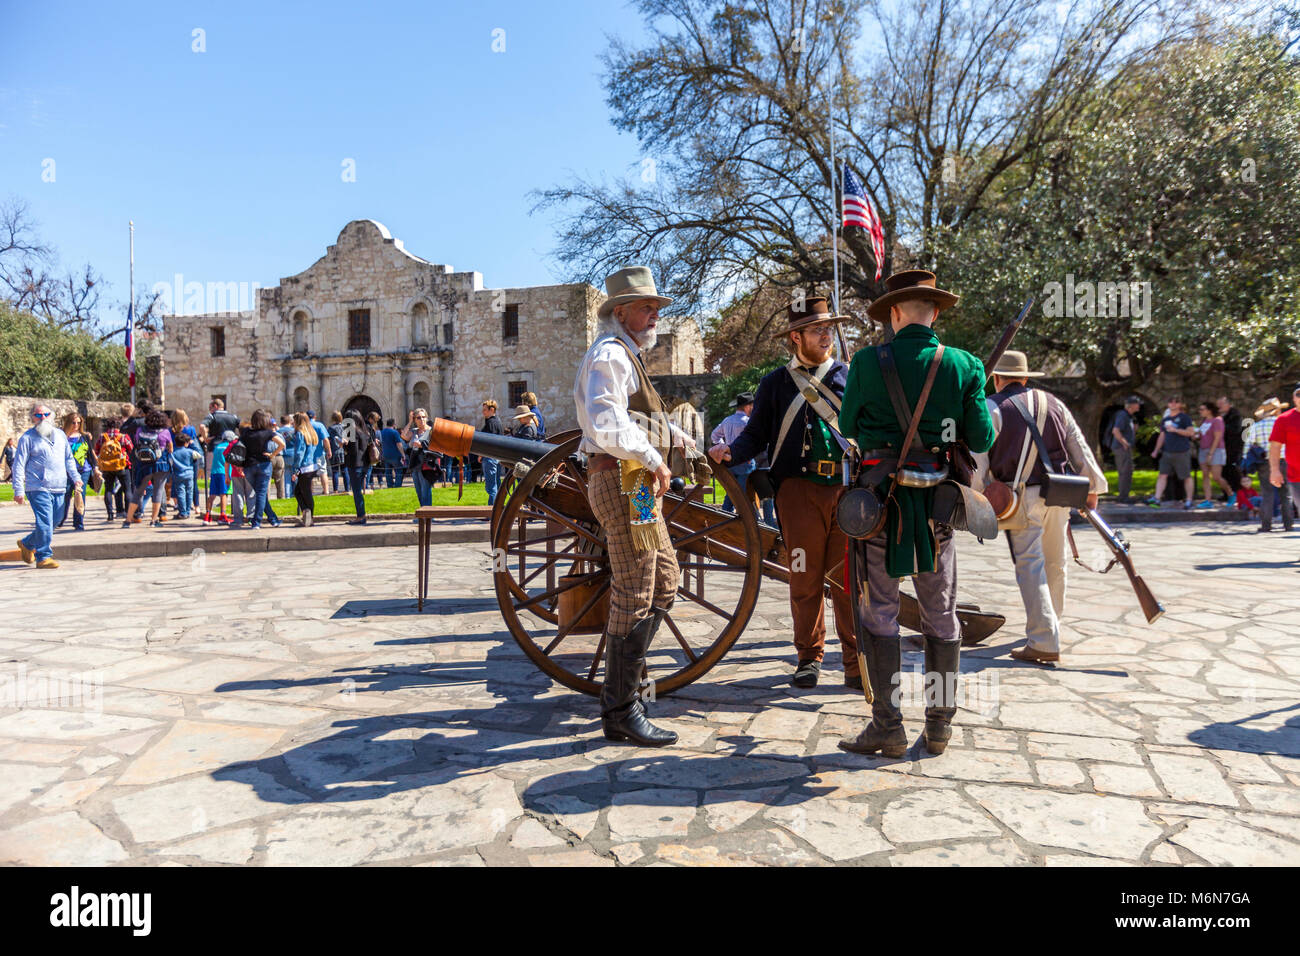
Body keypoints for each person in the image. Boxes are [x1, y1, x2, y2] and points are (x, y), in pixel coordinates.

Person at [832, 271, 995, 758]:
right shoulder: (965, 365)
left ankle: (887, 725)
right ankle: (940, 726)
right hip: (937, 508)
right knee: (940, 613)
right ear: (936, 312)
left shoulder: (864, 362)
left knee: (878, 610)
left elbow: (847, 424)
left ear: (895, 313)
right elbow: (982, 439)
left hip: (878, 504)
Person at [710, 298, 859, 690]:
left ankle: (855, 661)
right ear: (796, 337)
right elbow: (756, 435)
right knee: (804, 577)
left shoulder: (849, 375)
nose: (826, 334)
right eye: (816, 329)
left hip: (846, 489)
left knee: (846, 581)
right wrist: (731, 451)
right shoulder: (775, 384)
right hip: (796, 492)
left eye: (828, 328)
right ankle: (809, 657)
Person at [576, 265, 695, 747]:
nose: (654, 316)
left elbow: (644, 419)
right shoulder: (610, 355)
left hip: (637, 483)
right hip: (622, 479)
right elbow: (606, 423)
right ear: (620, 312)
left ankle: (625, 693)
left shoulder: (628, 356)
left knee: (665, 579)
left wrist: (685, 441)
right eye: (647, 308)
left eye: (656, 309)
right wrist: (651, 456)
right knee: (635, 587)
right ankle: (620, 707)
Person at [977, 351, 1107, 667]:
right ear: (1024, 376)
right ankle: (1051, 626)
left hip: (1020, 499)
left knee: (1031, 565)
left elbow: (979, 458)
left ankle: (1045, 639)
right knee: (1055, 562)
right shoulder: (1055, 404)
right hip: (1059, 493)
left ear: (997, 379)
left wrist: (978, 497)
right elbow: (1079, 447)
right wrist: (1093, 487)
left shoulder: (992, 407)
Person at [12, 404, 81, 568]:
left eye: (45, 414)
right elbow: (18, 465)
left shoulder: (60, 435)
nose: (42, 418)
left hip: (59, 486)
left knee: (55, 521)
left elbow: (69, 459)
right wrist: (18, 489)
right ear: (32, 418)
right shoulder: (27, 438)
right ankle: (43, 556)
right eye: (38, 415)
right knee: (44, 522)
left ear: (52, 415)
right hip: (38, 487)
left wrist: (76, 478)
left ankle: (27, 544)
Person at [123, 408, 175, 528]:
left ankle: (128, 520)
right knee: (158, 491)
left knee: (138, 492)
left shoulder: (141, 429)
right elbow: (170, 448)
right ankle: (153, 520)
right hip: (161, 465)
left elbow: (136, 442)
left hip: (144, 466)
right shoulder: (165, 432)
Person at [1248, 397, 1292, 532]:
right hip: (1285, 460)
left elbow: (1249, 445)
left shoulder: (1255, 426)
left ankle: (1266, 525)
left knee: (1267, 493)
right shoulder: (1285, 423)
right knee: (1286, 493)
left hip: (1264, 462)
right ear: (1277, 411)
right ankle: (1288, 524)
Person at [709, 392, 757, 515]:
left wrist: (724, 447)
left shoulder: (727, 420)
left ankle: (725, 514)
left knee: (732, 491)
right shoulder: (748, 422)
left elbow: (714, 436)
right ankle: (749, 517)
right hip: (744, 462)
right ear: (747, 407)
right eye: (751, 406)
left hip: (728, 462)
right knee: (741, 494)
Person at [1145, 397, 1196, 509]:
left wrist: (1176, 430)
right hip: (1167, 452)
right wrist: (1156, 450)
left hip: (1181, 451)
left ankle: (1189, 500)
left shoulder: (1184, 418)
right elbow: (1162, 435)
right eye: (1170, 401)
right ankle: (1157, 499)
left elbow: (1190, 432)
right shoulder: (1165, 419)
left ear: (1180, 404)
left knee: (1186, 476)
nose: (1173, 403)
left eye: (1176, 401)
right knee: (1162, 475)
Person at [239, 410, 286, 529]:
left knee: (261, 495)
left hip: (248, 465)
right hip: (264, 464)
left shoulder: (246, 432)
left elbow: (239, 447)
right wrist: (272, 454)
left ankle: (273, 519)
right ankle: (256, 522)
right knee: (261, 494)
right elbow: (282, 445)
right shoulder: (268, 433)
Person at [57, 411, 97, 531]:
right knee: (66, 496)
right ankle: (59, 519)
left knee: (80, 495)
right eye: (73, 423)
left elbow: (90, 454)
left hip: (83, 470)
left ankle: (79, 522)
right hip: (67, 471)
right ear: (68, 423)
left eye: (78, 423)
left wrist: (95, 469)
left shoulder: (84, 437)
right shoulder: (61, 437)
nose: (76, 425)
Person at [1266, 384, 1300, 522]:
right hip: (1296, 475)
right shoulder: (1283, 419)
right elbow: (1275, 447)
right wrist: (1274, 470)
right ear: (1293, 398)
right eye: (1298, 394)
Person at [285, 411, 325, 526]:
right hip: (312, 465)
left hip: (304, 467)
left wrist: (295, 469)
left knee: (303, 493)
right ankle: (307, 515)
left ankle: (308, 516)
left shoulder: (300, 434)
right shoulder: (311, 432)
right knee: (301, 492)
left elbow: (299, 453)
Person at [1194, 400, 1233, 508]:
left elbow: (1217, 438)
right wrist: (1196, 436)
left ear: (1209, 410)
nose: (1200, 411)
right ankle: (1207, 500)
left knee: (1216, 476)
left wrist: (1211, 453)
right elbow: (1203, 435)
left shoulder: (1217, 420)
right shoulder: (1204, 421)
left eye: (1202, 409)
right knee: (1205, 475)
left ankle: (1230, 493)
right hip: (1203, 450)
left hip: (1216, 450)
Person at [94, 418, 133, 522]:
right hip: (122, 466)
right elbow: (131, 448)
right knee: (127, 490)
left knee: (108, 490)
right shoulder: (123, 437)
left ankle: (110, 514)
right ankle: (128, 514)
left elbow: (97, 450)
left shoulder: (102, 437)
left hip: (107, 467)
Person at [1107, 396, 1141, 503]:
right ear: (1131, 405)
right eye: (1137, 404)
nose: (1139, 406)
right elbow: (1116, 431)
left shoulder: (1129, 417)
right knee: (1125, 472)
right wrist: (1125, 443)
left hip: (1124, 448)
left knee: (1127, 472)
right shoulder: (1123, 415)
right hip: (1122, 448)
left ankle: (1124, 495)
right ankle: (1123, 497)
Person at [341, 409, 372, 524]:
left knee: (357, 491)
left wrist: (344, 445)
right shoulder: (364, 430)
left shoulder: (351, 431)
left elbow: (353, 451)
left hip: (355, 464)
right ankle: (361, 514)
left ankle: (361, 515)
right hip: (364, 463)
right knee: (358, 490)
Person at [401, 409, 435, 509]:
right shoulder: (414, 431)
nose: (421, 420)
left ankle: (428, 515)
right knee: (419, 491)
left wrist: (422, 446)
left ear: (427, 418)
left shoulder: (431, 431)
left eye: (423, 417)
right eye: (418, 418)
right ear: (415, 419)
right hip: (415, 464)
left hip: (427, 464)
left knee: (426, 491)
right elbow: (403, 435)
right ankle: (423, 514)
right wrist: (410, 421)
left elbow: (437, 447)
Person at [169, 434, 203, 519]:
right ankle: (187, 511)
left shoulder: (173, 452)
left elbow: (170, 462)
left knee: (181, 493)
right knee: (189, 493)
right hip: (189, 474)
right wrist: (193, 444)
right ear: (186, 443)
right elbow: (199, 454)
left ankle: (182, 512)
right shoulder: (190, 451)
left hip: (178, 475)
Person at [1218, 394, 1243, 495]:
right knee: (1224, 471)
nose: (1219, 407)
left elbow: (1235, 430)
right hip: (1223, 447)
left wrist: (1221, 425)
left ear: (1228, 404)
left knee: (1232, 470)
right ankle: (1226, 493)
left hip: (1233, 447)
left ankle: (1237, 492)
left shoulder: (1235, 415)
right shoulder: (1220, 416)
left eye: (1221, 404)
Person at [480, 399, 503, 505]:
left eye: (485, 410)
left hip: (490, 458)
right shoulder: (497, 422)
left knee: (491, 487)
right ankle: (497, 511)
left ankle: (491, 512)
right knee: (496, 485)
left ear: (492, 410)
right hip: (497, 457)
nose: (483, 412)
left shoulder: (491, 423)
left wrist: (481, 454)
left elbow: (488, 442)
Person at [207, 430, 232, 524]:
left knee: (212, 494)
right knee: (223, 494)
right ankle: (223, 515)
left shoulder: (217, 446)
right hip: (223, 472)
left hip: (214, 472)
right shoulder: (229, 446)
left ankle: (207, 515)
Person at [379, 418, 406, 488]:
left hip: (385, 454)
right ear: (394, 424)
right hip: (395, 455)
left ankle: (390, 485)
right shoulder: (395, 432)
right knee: (398, 471)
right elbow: (399, 444)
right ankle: (397, 486)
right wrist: (403, 454)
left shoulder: (382, 432)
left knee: (388, 472)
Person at [272, 415, 293, 499]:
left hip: (283, 455)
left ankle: (287, 495)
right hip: (293, 454)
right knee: (296, 476)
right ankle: (295, 494)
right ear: (290, 421)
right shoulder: (294, 431)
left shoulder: (279, 431)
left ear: (281, 422)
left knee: (286, 478)